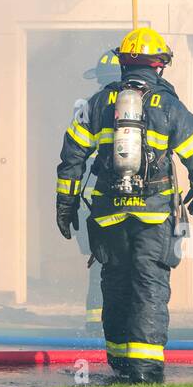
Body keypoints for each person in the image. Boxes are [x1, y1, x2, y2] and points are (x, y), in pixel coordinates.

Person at [56, 26, 193, 383]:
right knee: (149, 283)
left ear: (123, 62)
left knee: (114, 282)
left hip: (108, 213)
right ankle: (145, 368)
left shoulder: (97, 103)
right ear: (159, 65)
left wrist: (65, 204)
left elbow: (71, 158)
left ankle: (120, 363)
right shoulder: (169, 105)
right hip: (153, 212)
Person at [74, 48, 121, 333]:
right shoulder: (143, 105)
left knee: (98, 266)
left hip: (93, 203)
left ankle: (95, 328)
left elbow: (73, 158)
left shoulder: (89, 107)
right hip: (131, 203)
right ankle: (118, 325)